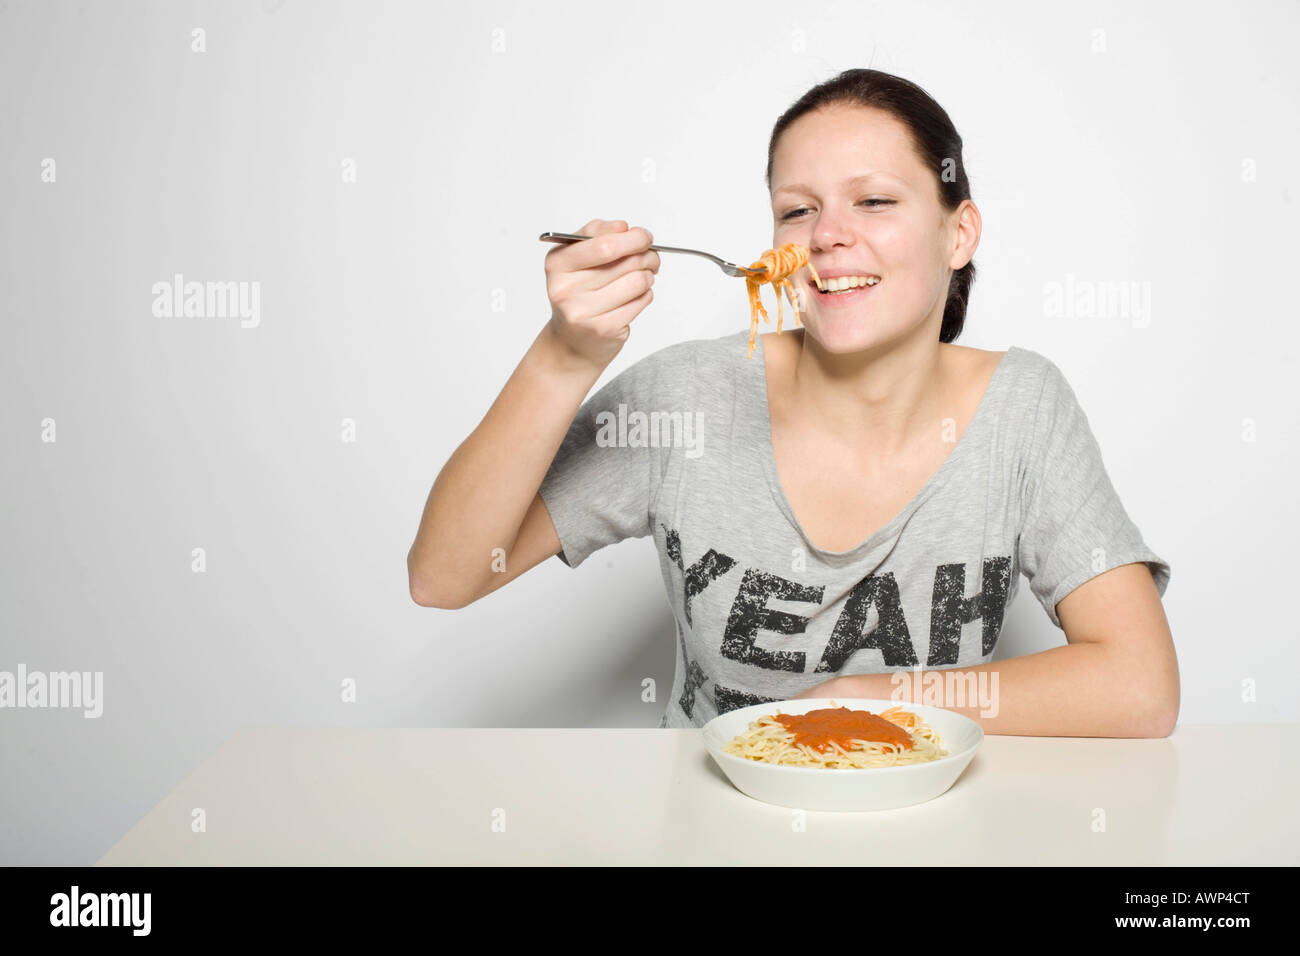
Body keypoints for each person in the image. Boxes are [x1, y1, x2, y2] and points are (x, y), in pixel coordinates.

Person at [407, 68, 1178, 737]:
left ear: (959, 233)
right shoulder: (688, 398)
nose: (828, 236)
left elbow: (1140, 687)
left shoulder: (1023, 408)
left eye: (874, 201)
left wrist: (867, 701)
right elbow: (445, 577)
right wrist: (563, 354)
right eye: (797, 210)